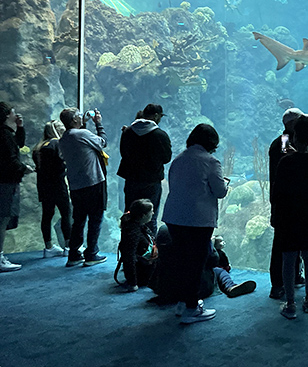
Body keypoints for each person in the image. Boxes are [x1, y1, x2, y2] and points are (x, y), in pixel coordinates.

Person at [162, 124, 229, 325]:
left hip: (174, 218)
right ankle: (192, 309)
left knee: (182, 260)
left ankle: (183, 302)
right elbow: (219, 191)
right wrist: (225, 184)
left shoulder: (179, 159)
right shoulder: (210, 161)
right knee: (196, 263)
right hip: (197, 220)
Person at [272, 115, 308, 319]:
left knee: (289, 256)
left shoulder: (286, 161)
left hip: (288, 214)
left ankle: (291, 303)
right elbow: (305, 159)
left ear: (293, 137)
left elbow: (277, 191)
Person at [267, 107, 308, 299]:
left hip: (296, 200)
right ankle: (277, 284)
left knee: (295, 241)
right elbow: (290, 161)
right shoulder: (284, 142)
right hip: (284, 201)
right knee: (281, 244)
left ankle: (294, 277)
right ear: (291, 124)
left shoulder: (296, 142)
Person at [59, 107, 108, 267]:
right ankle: (91, 253)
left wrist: (85, 124)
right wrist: (98, 124)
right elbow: (102, 143)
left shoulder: (64, 138)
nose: (81, 117)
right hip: (93, 182)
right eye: (79, 116)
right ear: (74, 120)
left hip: (76, 185)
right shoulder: (82, 134)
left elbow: (82, 142)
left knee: (78, 219)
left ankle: (74, 254)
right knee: (96, 217)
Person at [117, 103, 172, 235]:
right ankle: (148, 251)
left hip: (131, 179)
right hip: (151, 181)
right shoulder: (160, 135)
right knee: (150, 215)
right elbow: (166, 158)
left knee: (130, 213)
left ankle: (128, 247)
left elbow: (123, 153)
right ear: (156, 116)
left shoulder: (128, 131)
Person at [0, 102, 34, 272]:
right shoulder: (4, 135)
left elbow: (18, 145)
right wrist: (23, 168)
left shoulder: (7, 134)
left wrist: (20, 127)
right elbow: (9, 159)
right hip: (5, 182)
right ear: (7, 115)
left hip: (6, 181)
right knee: (2, 217)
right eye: (13, 111)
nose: (15, 113)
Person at [32, 120, 72, 258]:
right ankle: (68, 246)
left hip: (43, 186)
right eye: (61, 126)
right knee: (66, 213)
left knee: (47, 215)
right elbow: (60, 164)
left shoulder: (39, 147)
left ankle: (48, 247)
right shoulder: (56, 143)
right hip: (57, 184)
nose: (63, 128)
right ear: (55, 129)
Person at [118, 198, 156, 291]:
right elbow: (129, 256)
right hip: (143, 274)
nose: (153, 213)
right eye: (151, 211)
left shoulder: (137, 225)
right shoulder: (133, 232)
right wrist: (132, 282)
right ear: (143, 215)